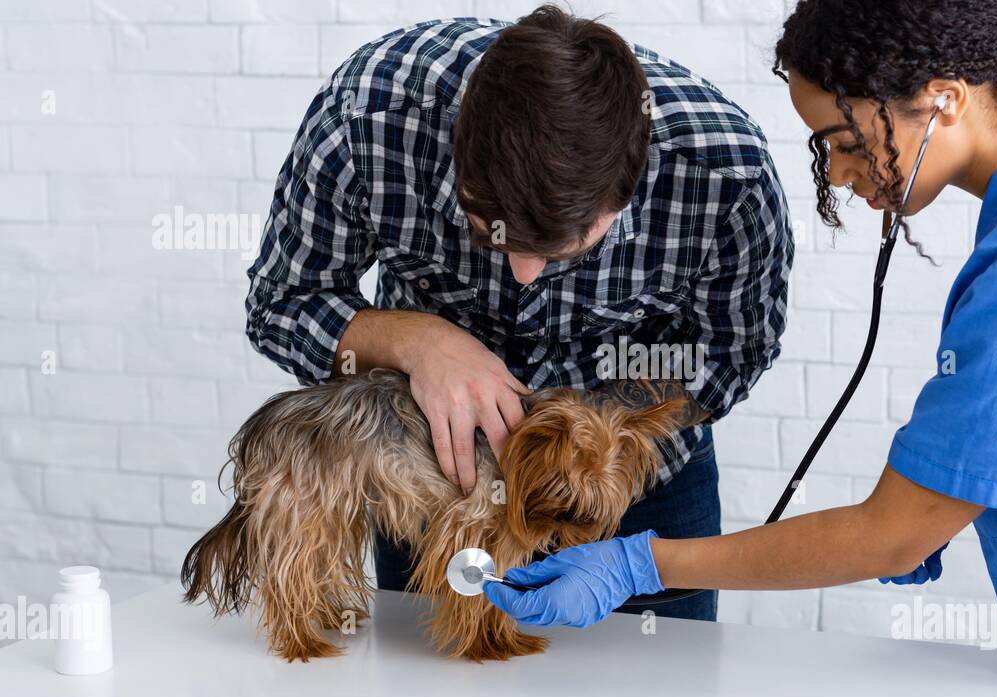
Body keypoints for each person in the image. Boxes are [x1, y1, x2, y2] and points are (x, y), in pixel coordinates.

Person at [483, 0, 997, 697]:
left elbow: (891, 536)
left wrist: (639, 562)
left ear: (942, 95)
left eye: (840, 140)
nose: (835, 173)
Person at [245, 6, 794, 623]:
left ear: (628, 187)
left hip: (634, 489)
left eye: (563, 249)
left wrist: (598, 452)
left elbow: (729, 354)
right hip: (438, 478)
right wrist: (416, 341)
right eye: (492, 235)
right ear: (458, 156)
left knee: (660, 696)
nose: (524, 274)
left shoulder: (724, 175)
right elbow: (283, 302)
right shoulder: (368, 118)